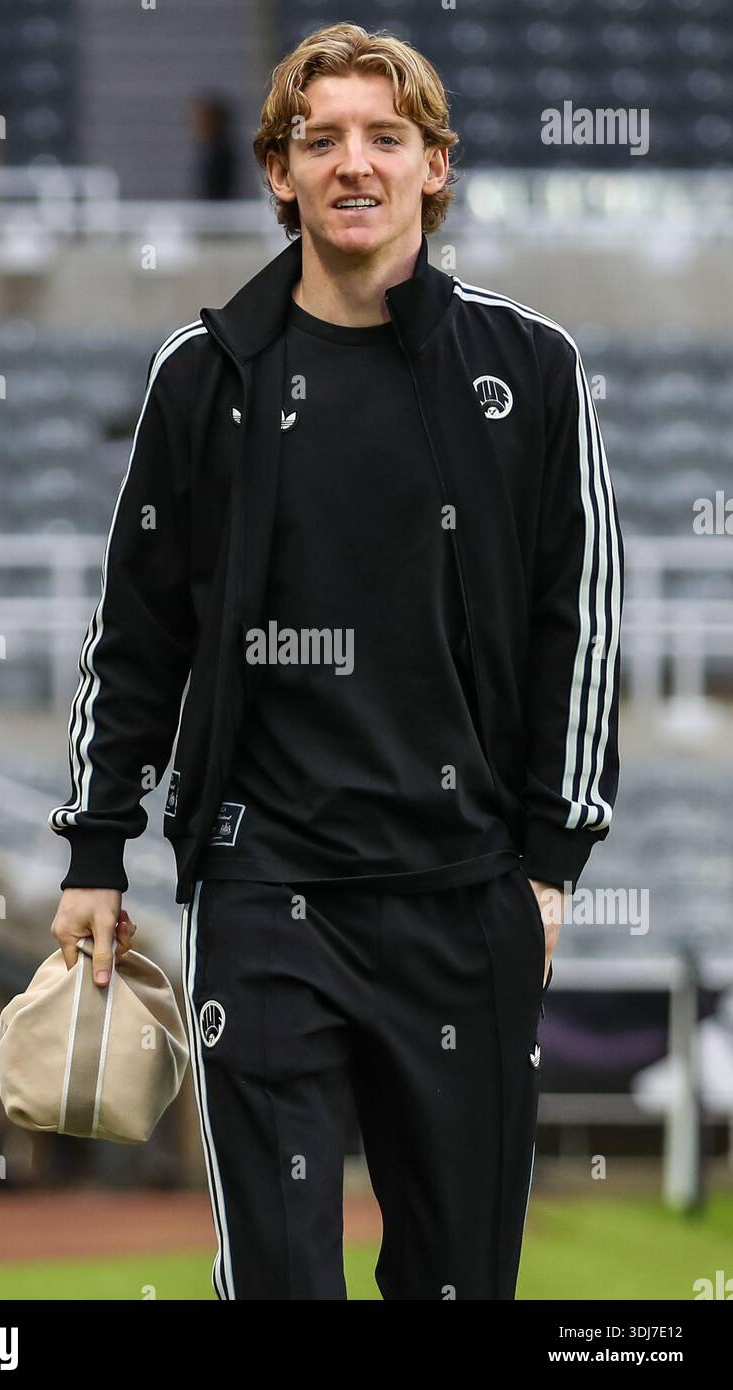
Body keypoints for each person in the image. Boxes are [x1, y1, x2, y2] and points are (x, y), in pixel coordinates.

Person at [49, 22, 624, 1300]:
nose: (351, 163)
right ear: (276, 171)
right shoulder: (206, 376)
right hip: (265, 895)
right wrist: (97, 844)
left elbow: (576, 618)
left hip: (464, 895)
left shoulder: (528, 370)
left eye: (385, 137)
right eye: (321, 140)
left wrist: (549, 861)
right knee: (279, 1278)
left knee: (459, 1280)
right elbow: (135, 629)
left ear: (433, 167)